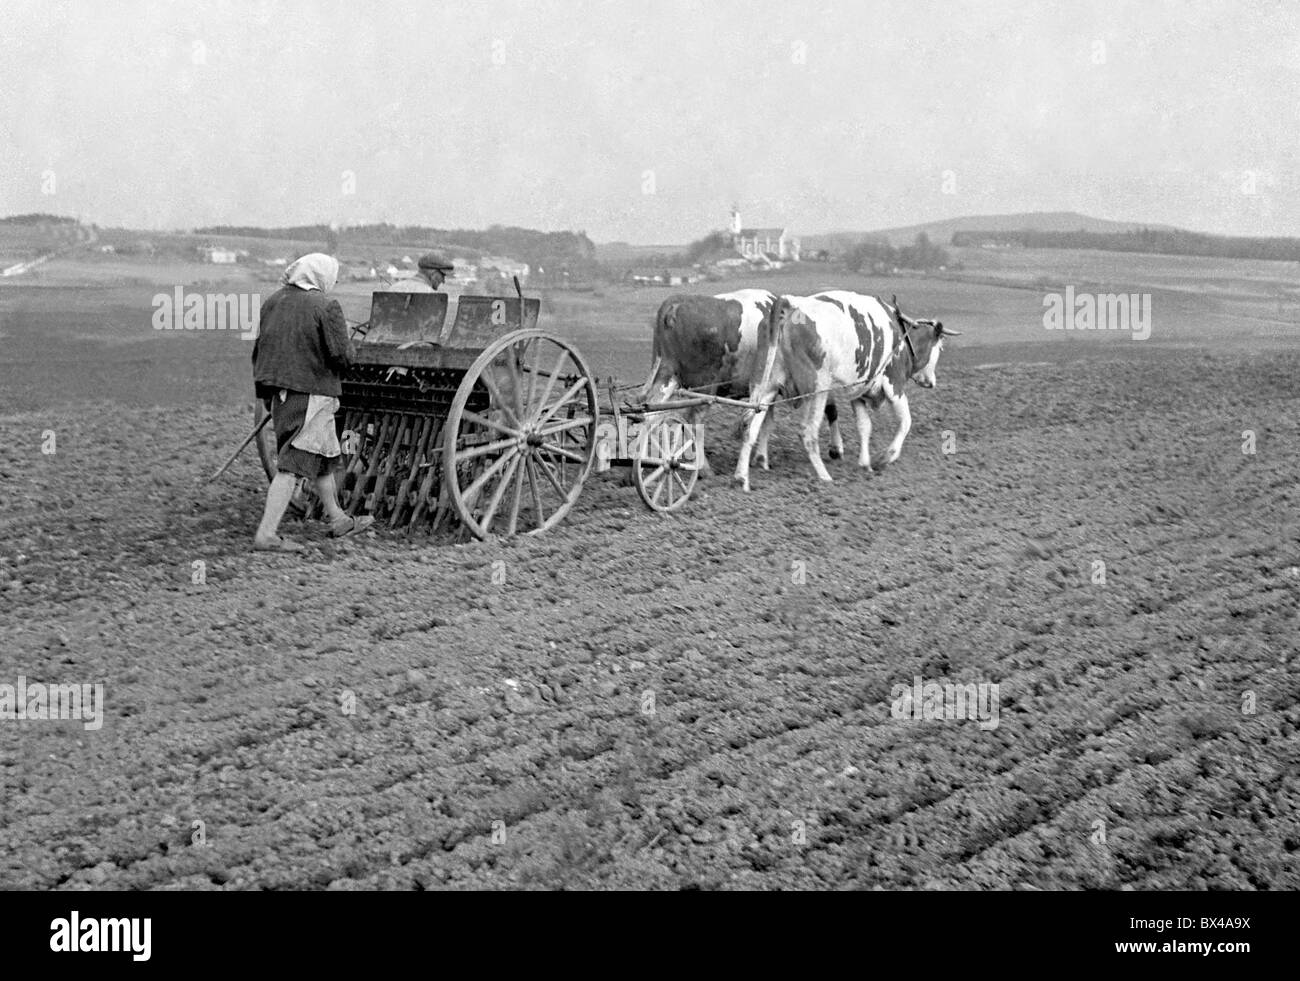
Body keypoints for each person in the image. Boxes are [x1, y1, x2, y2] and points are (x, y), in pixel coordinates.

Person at [251, 253, 373, 551]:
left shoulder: (273, 302)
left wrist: (266, 391)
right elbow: (341, 356)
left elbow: (260, 349)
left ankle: (339, 520)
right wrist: (354, 352)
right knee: (292, 465)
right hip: (311, 393)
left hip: (279, 391)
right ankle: (266, 535)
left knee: (323, 459)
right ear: (322, 276)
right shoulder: (325, 305)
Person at [382, 251, 454, 292]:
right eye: (442, 276)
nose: (443, 281)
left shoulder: (393, 288)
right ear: (433, 274)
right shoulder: (432, 296)